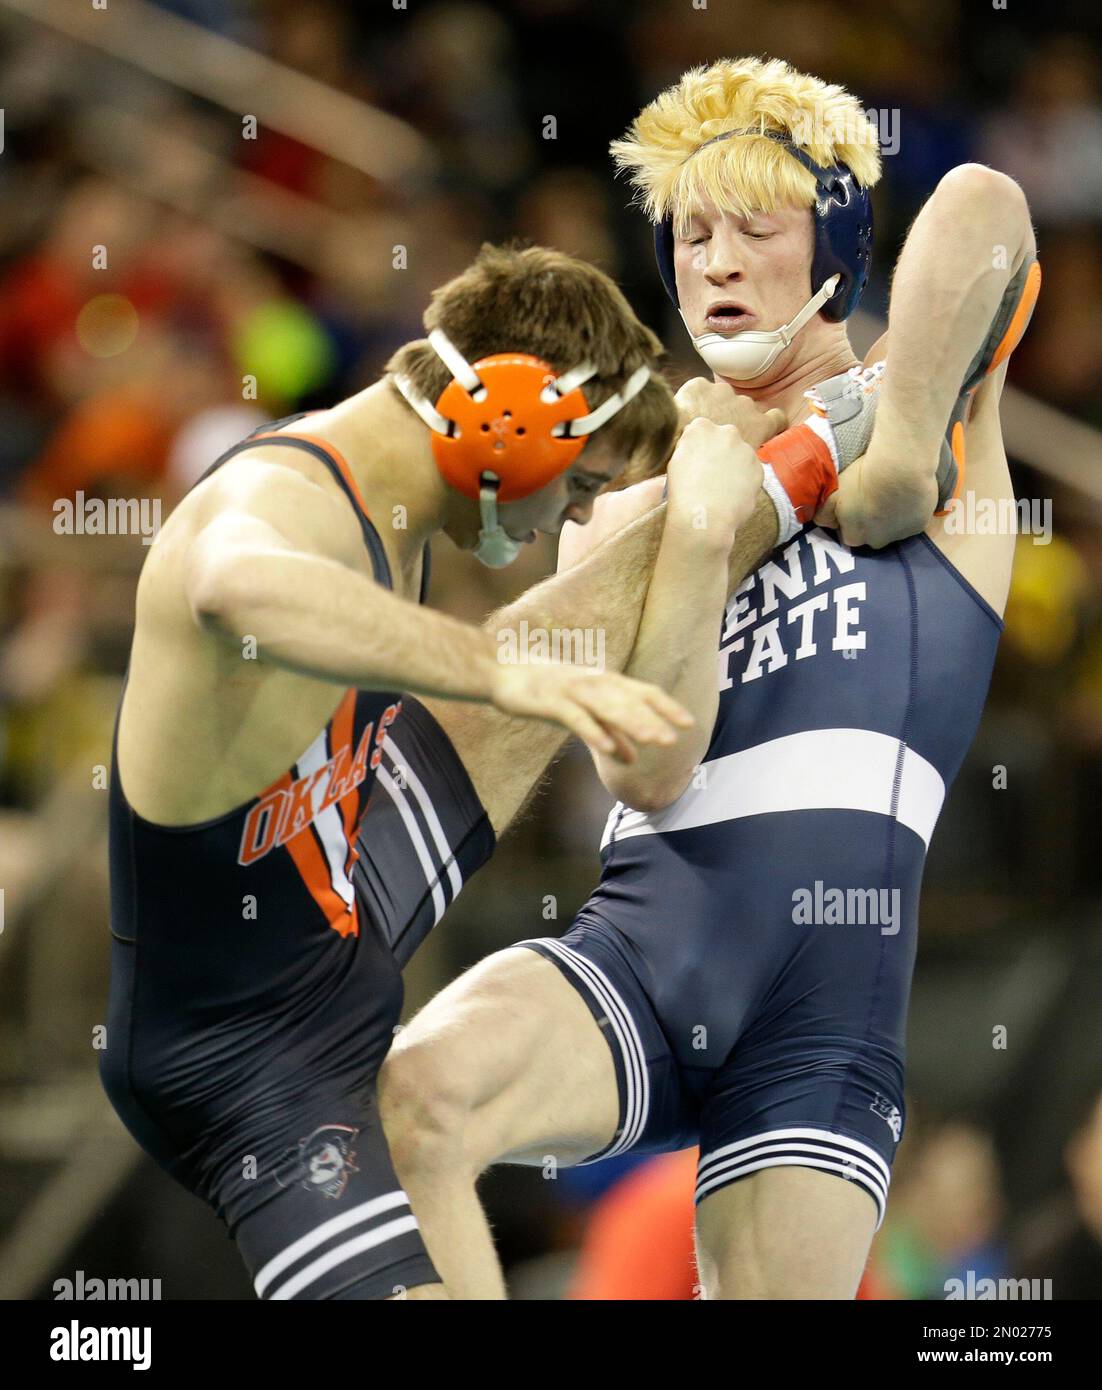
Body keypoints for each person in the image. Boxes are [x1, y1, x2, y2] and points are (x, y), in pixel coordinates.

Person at [377, 56, 1040, 1300]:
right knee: (413, 1099)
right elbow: (650, 760)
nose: (716, 264)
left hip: (825, 1024)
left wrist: (893, 443)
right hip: (643, 952)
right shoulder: (615, 516)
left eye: (755, 229)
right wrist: (697, 526)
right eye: (689, 235)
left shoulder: (941, 435)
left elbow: (986, 203)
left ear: (835, 246)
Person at [100, 242, 710, 1302]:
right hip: (246, 1062)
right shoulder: (284, 501)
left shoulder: (403, 507)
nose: (568, 515)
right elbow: (233, 584)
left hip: (329, 899)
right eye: (578, 485)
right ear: (510, 424)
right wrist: (492, 669)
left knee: (567, 634)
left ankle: (780, 470)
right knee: (524, 669)